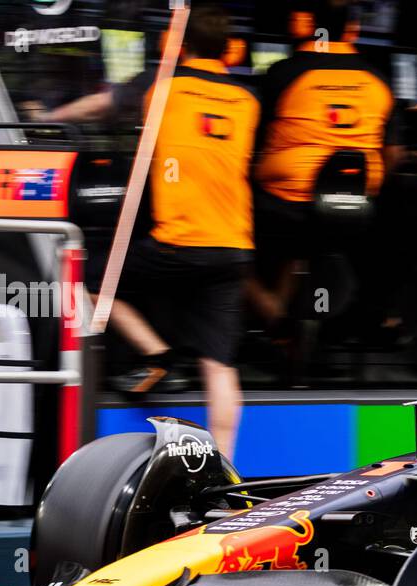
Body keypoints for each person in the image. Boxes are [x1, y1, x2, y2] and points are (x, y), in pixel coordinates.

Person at [44, 4, 258, 458]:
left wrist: (46, 119)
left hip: (176, 243)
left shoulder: (162, 84)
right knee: (220, 367)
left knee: (88, 281)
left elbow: (101, 106)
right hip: (233, 247)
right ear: (230, 50)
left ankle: (157, 354)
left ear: (177, 45)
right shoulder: (248, 100)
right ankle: (225, 471)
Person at [252, 0, 401, 320]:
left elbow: (254, 140)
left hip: (286, 205)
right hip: (354, 205)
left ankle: (267, 309)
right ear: (352, 30)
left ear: (309, 25)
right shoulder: (379, 78)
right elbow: (394, 152)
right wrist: (365, 188)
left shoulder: (282, 73)